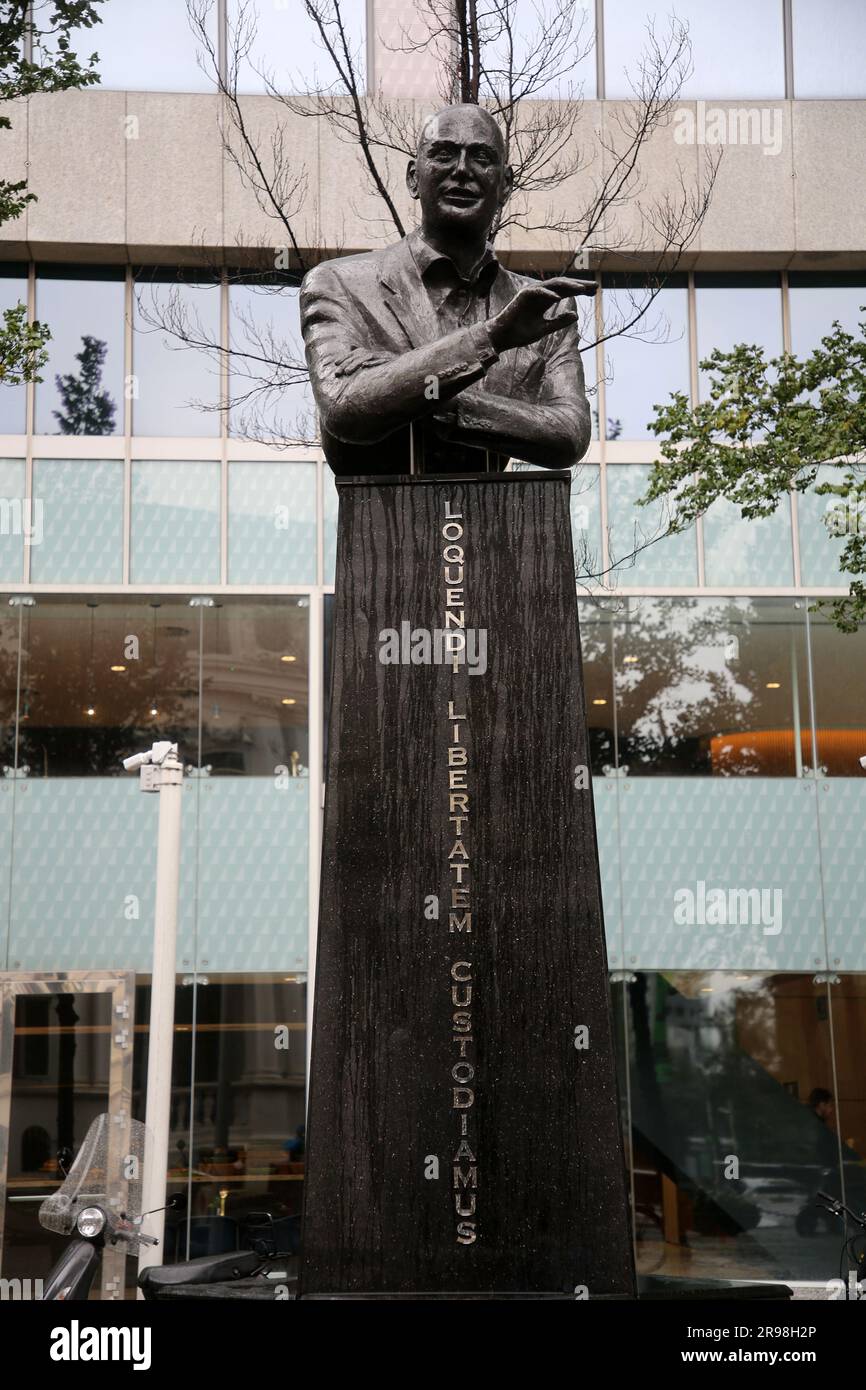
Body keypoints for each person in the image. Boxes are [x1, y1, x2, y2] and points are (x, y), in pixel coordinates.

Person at [300, 103, 596, 476]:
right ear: (413, 177)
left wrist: (421, 394)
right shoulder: (339, 283)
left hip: (494, 519)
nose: (461, 169)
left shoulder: (544, 309)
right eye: (442, 154)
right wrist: (492, 338)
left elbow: (568, 435)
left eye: (481, 157)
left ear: (505, 184)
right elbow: (345, 408)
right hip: (384, 520)